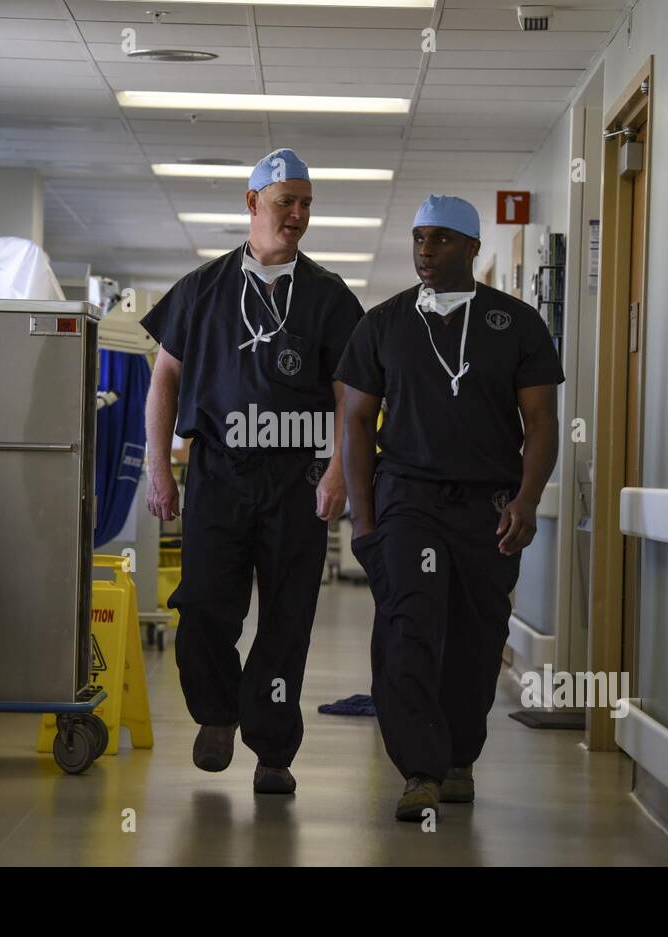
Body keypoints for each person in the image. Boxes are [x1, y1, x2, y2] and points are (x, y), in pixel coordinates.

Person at [140, 148, 364, 794]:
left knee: (288, 617)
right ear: (251, 204)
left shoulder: (327, 296)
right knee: (205, 604)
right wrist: (160, 465)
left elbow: (350, 392)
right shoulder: (202, 291)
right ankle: (215, 711)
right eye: (284, 202)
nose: (296, 215)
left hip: (296, 477)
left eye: (305, 205)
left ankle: (271, 746)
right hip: (217, 472)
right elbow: (165, 381)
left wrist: (339, 473)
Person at [335, 194, 563, 821]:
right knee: (408, 630)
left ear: (471, 247)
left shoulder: (516, 323)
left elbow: (542, 420)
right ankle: (419, 771)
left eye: (439, 240)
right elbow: (354, 422)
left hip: (489, 505)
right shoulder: (381, 324)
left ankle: (460, 756)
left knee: (475, 637)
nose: (425, 252)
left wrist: (527, 498)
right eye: (418, 240)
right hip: (408, 498)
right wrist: (366, 518)